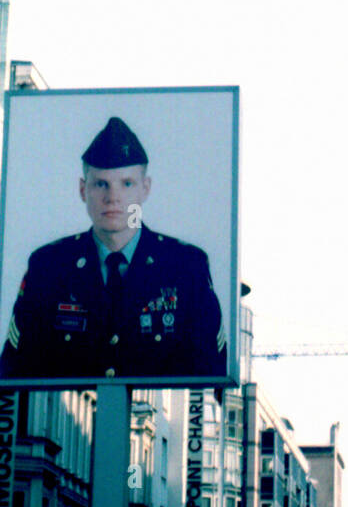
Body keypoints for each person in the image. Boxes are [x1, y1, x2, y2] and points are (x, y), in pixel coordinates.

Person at [0, 117, 227, 381]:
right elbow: (13, 375)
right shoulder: (48, 266)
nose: (112, 198)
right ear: (83, 190)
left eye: (126, 184)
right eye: (101, 184)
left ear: (146, 188)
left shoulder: (186, 266)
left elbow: (211, 374)